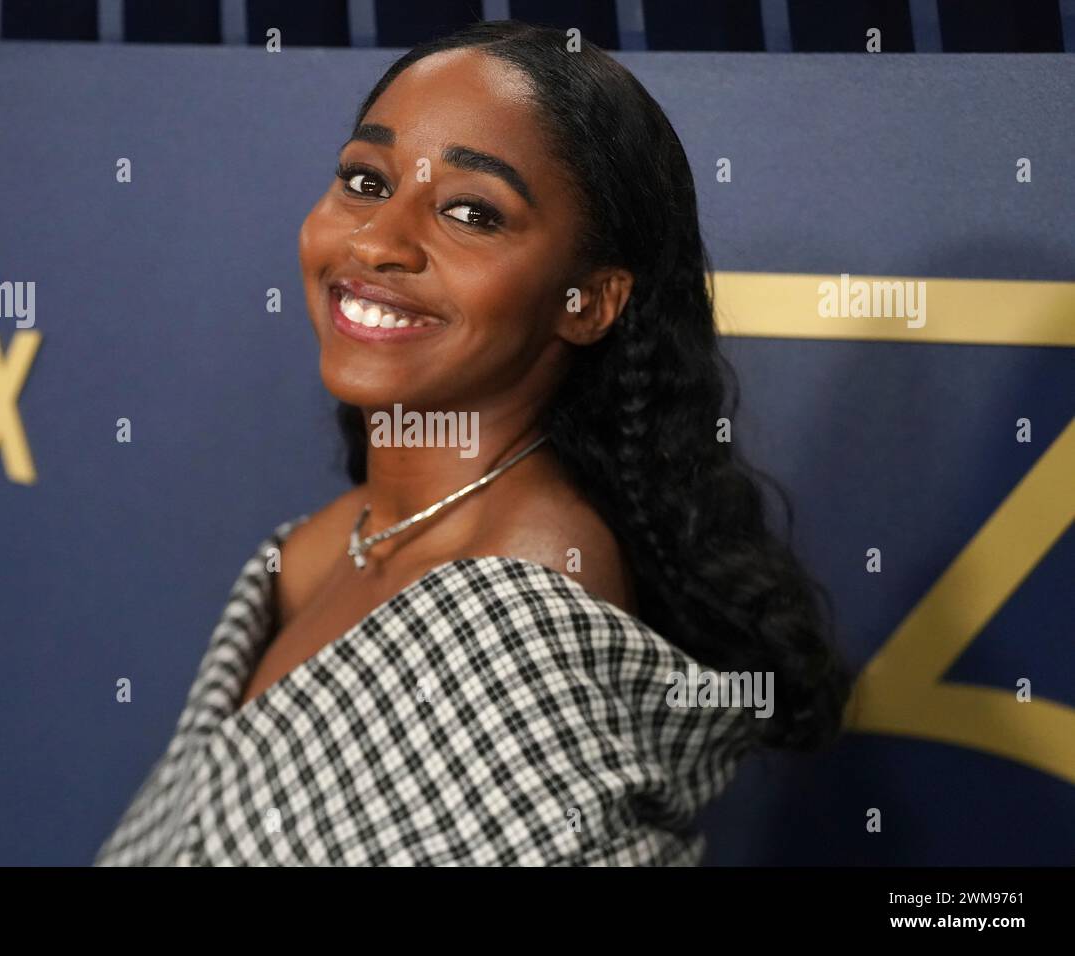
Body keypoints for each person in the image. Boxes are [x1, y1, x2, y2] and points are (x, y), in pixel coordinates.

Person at [95, 20, 851, 867]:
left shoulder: (524, 628)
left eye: (471, 212)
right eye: (364, 179)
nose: (377, 241)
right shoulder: (312, 552)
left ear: (589, 301)